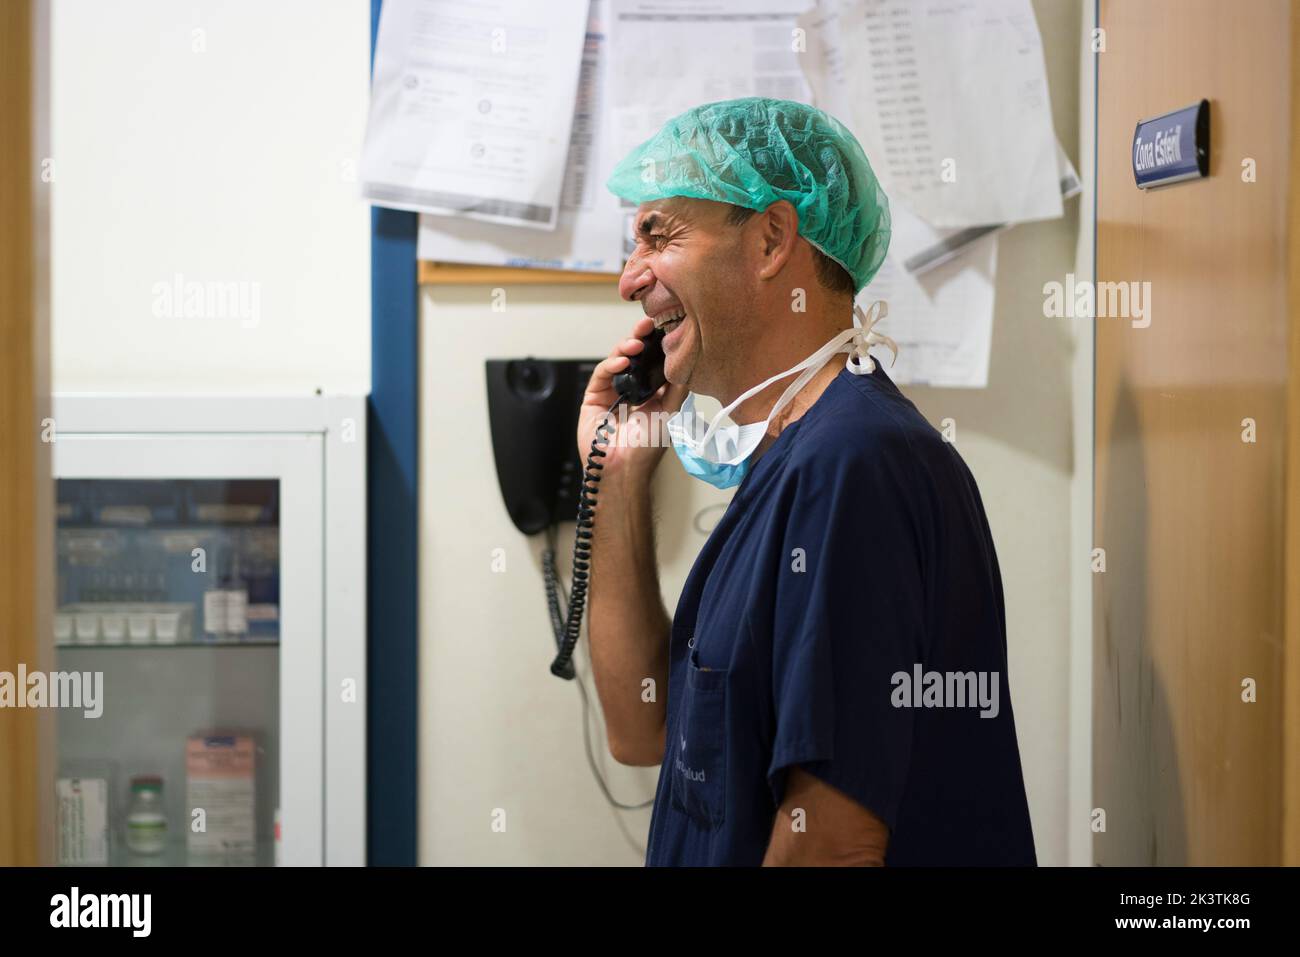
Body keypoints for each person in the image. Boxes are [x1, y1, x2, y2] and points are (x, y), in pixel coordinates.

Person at [577, 97, 1036, 866]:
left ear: (770, 239)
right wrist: (618, 474)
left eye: (659, 234)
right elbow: (640, 729)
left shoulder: (856, 467)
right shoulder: (791, 465)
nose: (630, 279)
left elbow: (831, 846)